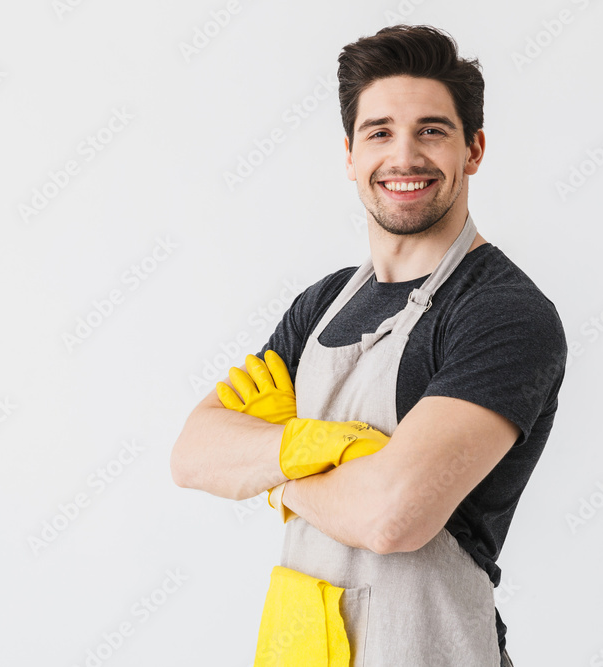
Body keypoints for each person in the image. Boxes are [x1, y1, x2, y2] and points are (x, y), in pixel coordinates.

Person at [171, 24, 567, 667]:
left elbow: (393, 517)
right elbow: (192, 454)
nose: (403, 157)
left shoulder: (501, 312)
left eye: (431, 131)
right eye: (379, 132)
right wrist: (331, 452)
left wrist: (273, 472)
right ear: (350, 155)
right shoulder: (324, 303)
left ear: (475, 149)